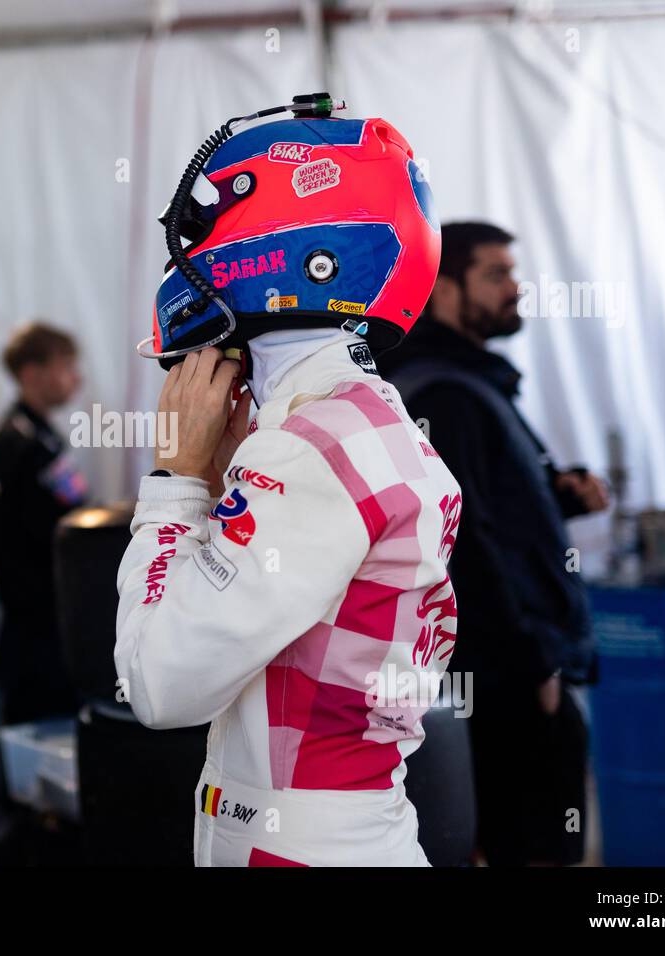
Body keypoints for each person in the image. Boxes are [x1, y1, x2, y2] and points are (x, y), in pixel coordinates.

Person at [114, 94, 459, 866]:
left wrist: (175, 479)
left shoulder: (312, 445)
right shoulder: (362, 422)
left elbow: (158, 683)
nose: (188, 264)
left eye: (203, 235)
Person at [378, 221, 607, 866]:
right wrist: (532, 666)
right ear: (443, 290)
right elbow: (465, 551)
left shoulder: (464, 381)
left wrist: (557, 495)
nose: (515, 287)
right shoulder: (443, 392)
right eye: (496, 274)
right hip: (502, 676)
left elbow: (489, 508)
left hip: (494, 670)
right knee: (532, 847)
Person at [0, 322, 88, 724]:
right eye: (66, 366)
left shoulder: (42, 437)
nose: (76, 378)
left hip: (52, 620)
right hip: (36, 632)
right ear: (31, 374)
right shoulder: (16, 444)